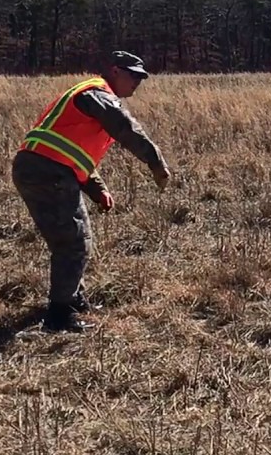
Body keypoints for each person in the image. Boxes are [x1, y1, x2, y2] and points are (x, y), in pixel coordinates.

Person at [11, 50, 171, 333]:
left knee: (76, 238)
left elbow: (72, 150)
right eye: (133, 75)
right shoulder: (97, 93)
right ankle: (59, 316)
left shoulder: (91, 96)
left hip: (45, 169)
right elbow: (125, 128)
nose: (138, 82)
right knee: (72, 242)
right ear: (115, 71)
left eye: (141, 78)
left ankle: (72, 300)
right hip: (49, 171)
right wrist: (155, 161)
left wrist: (97, 190)